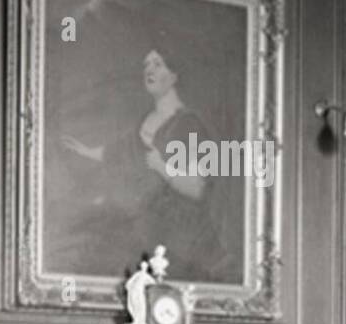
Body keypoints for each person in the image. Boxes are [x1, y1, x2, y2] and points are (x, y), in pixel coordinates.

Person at [61, 48, 227, 280]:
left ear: (174, 75)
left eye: (158, 64)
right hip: (150, 228)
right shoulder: (144, 121)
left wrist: (162, 167)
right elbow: (118, 153)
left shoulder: (189, 124)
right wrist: (84, 151)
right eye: (146, 65)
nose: (149, 70)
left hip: (184, 237)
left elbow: (198, 188)